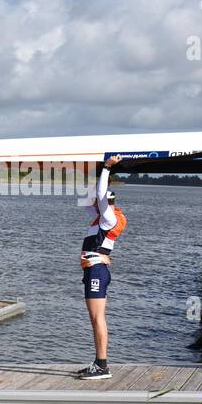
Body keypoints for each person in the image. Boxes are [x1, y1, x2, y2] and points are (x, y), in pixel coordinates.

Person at [78, 155, 126, 380]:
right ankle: (98, 362)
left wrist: (106, 168)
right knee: (95, 318)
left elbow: (97, 196)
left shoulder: (109, 219)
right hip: (95, 270)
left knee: (98, 319)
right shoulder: (100, 218)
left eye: (100, 202)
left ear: (106, 202)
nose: (95, 204)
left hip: (96, 271)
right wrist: (100, 172)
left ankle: (102, 365)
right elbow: (86, 199)